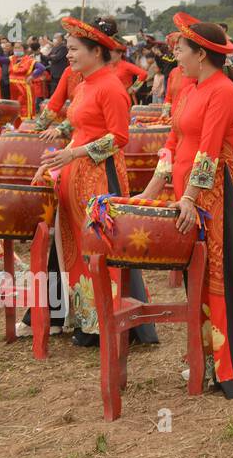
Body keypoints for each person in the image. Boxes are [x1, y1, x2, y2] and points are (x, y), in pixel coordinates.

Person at [137, 14, 233, 396]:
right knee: (197, 276)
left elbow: (210, 151)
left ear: (201, 54)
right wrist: (152, 190)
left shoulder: (222, 91)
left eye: (180, 50)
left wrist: (188, 196)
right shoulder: (188, 89)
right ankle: (205, 358)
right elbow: (172, 141)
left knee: (224, 276)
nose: (175, 56)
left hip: (217, 196)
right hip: (190, 194)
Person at [31, 18, 158, 346]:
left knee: (102, 247)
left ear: (96, 52)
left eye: (74, 50)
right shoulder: (84, 84)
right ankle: (88, 321)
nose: (67, 55)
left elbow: (119, 137)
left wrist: (74, 155)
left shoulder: (111, 86)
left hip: (102, 177)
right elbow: (78, 127)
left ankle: (109, 322)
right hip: (76, 175)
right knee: (79, 249)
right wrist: (54, 163)